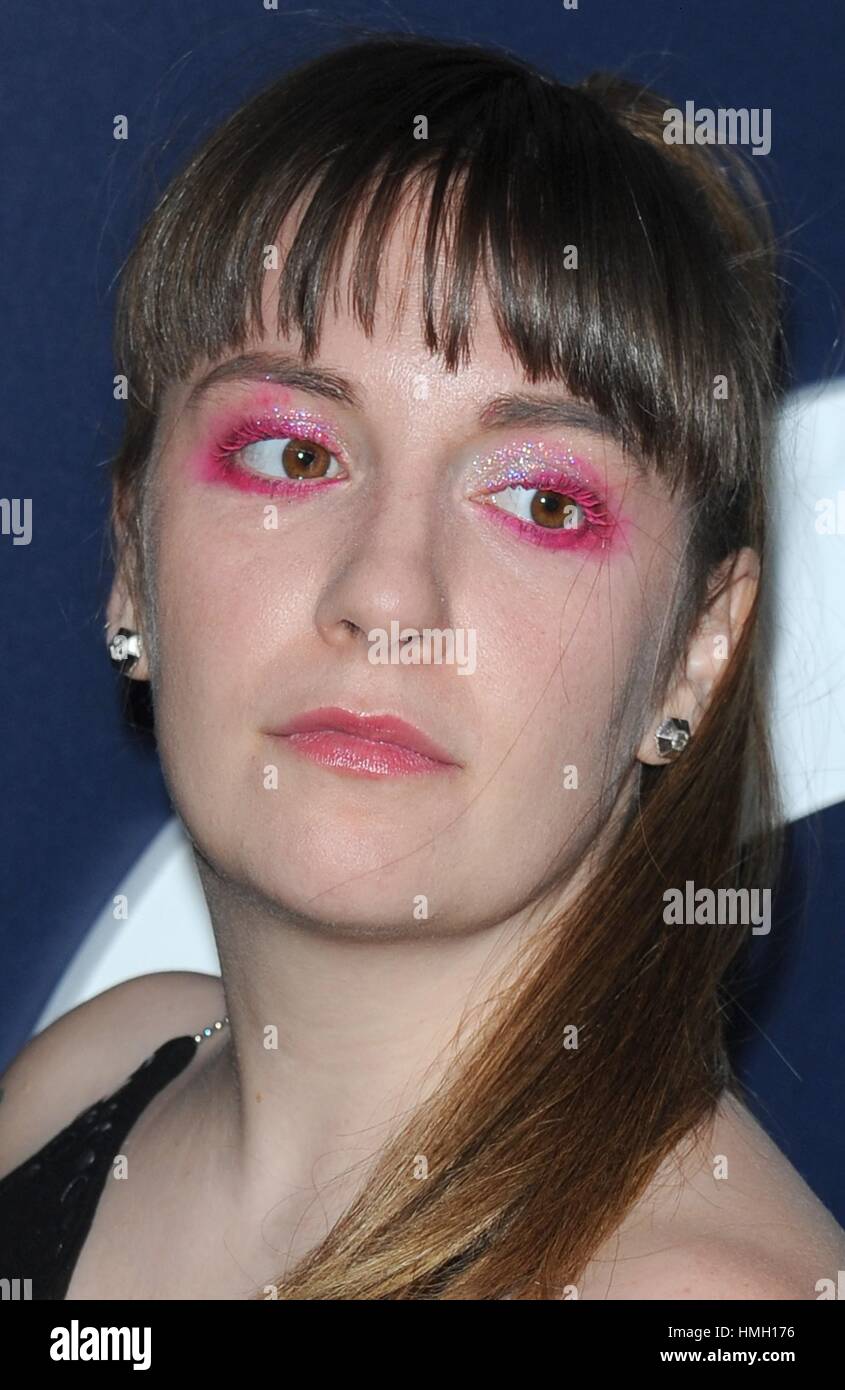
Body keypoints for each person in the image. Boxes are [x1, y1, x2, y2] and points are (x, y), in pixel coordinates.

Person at [1, 32, 843, 1301]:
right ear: (133, 551)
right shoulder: (95, 1073)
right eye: (293, 455)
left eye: (543, 504)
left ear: (694, 653)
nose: (386, 594)